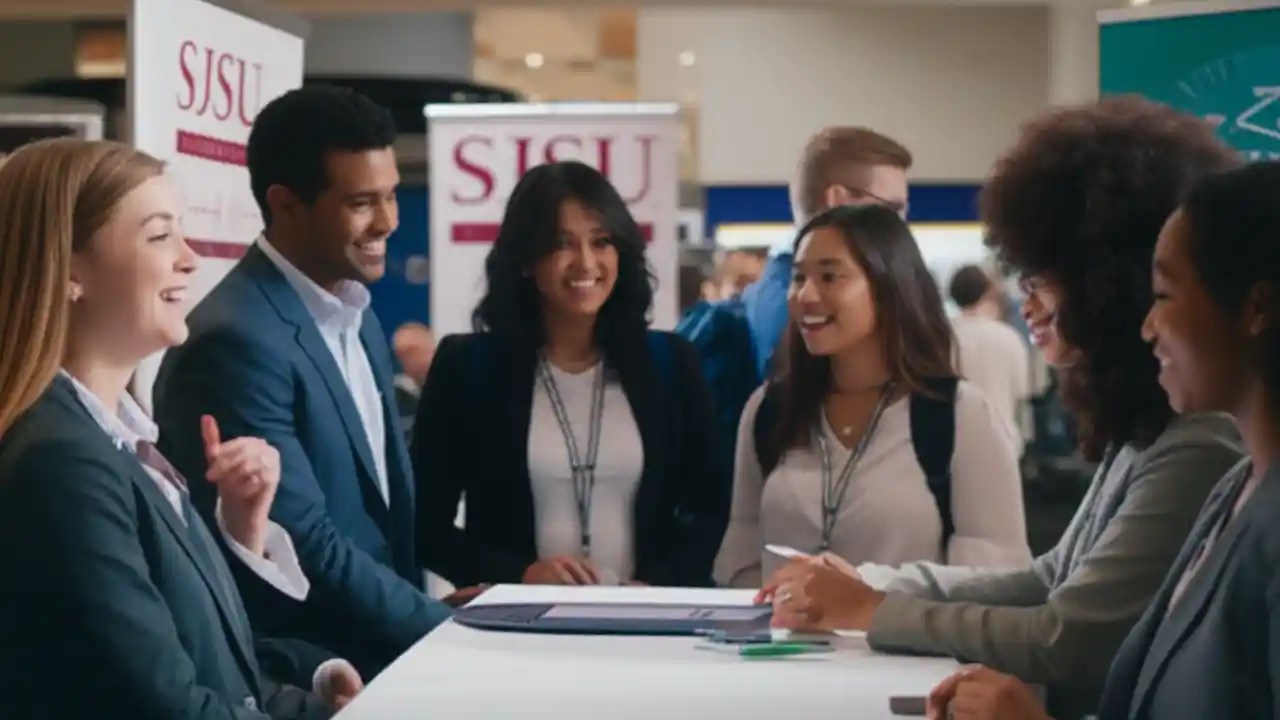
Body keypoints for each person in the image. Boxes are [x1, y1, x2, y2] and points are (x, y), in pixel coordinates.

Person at [761, 98, 1243, 719]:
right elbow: (1049, 578)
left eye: (1043, 282)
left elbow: (1068, 638)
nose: (1030, 305)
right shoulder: (1147, 434)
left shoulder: (1197, 443)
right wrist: (871, 584)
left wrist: (872, 606)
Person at [0, 139, 362, 719]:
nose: (190, 258)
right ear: (71, 270)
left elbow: (200, 656)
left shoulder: (111, 442)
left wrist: (315, 692)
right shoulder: (63, 463)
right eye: (159, 234)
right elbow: (163, 705)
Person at [931, 160, 1280, 720]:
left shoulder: (1225, 474)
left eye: (1163, 295)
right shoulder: (1235, 488)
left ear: (1256, 309)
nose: (1147, 326)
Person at [153, 85, 450, 678]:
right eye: (363, 202)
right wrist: (445, 632)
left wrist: (429, 618)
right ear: (286, 205)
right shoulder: (234, 340)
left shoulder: (355, 313)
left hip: (387, 658)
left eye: (390, 196)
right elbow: (306, 543)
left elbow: (382, 513)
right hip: (308, 677)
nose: (389, 221)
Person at [414, 161, 728, 588]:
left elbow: (713, 508)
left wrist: (659, 584)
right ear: (525, 259)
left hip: (645, 626)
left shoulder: (670, 363)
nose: (585, 263)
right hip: (517, 631)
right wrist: (519, 576)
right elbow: (424, 527)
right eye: (562, 244)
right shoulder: (468, 367)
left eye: (601, 242)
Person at [714, 204, 1032, 588]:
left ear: (887, 286)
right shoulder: (770, 409)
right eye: (799, 278)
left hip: (904, 646)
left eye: (830, 276)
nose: (806, 295)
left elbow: (997, 576)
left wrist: (867, 594)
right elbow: (742, 551)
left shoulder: (960, 415)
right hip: (783, 646)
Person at [678, 127, 913, 512]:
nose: (900, 227)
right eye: (892, 209)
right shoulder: (787, 306)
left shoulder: (771, 290)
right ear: (838, 199)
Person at [948, 264, 1031, 447]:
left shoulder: (942, 338)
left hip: (954, 443)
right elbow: (1021, 391)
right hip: (1003, 442)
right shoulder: (1009, 337)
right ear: (986, 293)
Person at [391, 322, 434, 442]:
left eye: (415, 351)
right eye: (404, 353)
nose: (411, 358)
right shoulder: (395, 398)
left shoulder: (453, 391)